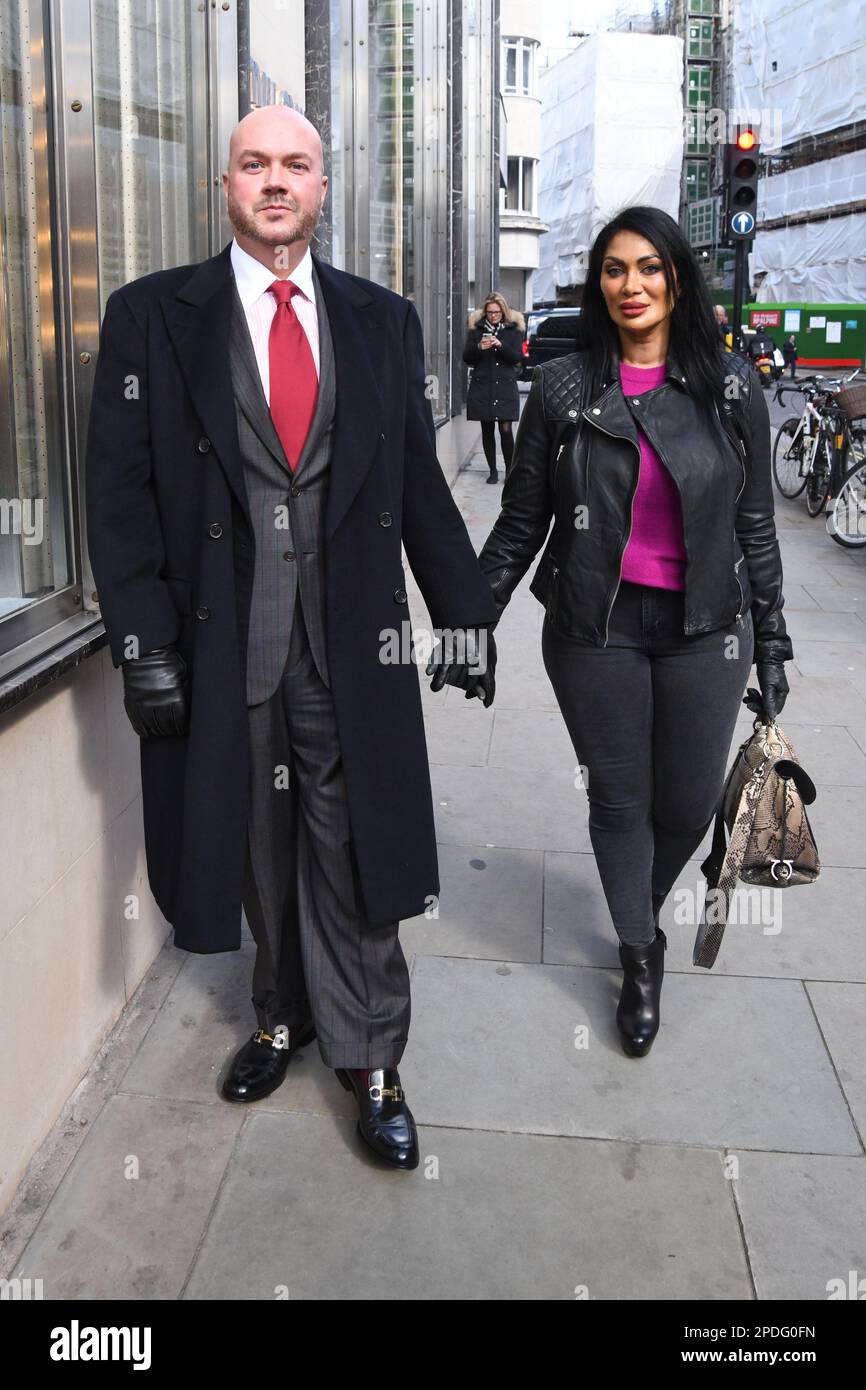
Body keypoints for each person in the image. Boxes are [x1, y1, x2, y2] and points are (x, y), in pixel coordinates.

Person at [84, 104, 498, 1171]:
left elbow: (411, 475)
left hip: (350, 643)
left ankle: (370, 1058)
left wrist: (463, 615)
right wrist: (144, 644)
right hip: (222, 645)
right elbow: (118, 501)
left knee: (356, 845)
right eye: (255, 164)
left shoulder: (379, 319)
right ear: (224, 186)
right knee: (256, 847)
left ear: (324, 187)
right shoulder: (150, 318)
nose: (276, 181)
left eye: (296, 165)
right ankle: (281, 1015)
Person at [478, 205, 793, 1058]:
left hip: (705, 630)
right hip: (595, 627)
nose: (632, 285)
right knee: (620, 801)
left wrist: (772, 642)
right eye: (615, 270)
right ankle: (639, 953)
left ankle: (635, 911)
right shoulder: (564, 388)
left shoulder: (729, 384)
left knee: (688, 804)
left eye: (649, 267)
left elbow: (755, 523)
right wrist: (474, 617)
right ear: (600, 286)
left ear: (677, 278)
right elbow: (521, 522)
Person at [462, 293, 525, 483]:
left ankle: (509, 470)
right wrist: (479, 347)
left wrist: (500, 345)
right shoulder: (476, 330)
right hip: (483, 387)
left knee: (506, 430)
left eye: (496, 312)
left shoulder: (514, 331)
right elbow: (467, 358)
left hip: (505, 387)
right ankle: (493, 471)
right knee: (487, 429)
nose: (493, 316)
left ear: (503, 312)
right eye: (489, 312)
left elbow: (516, 358)